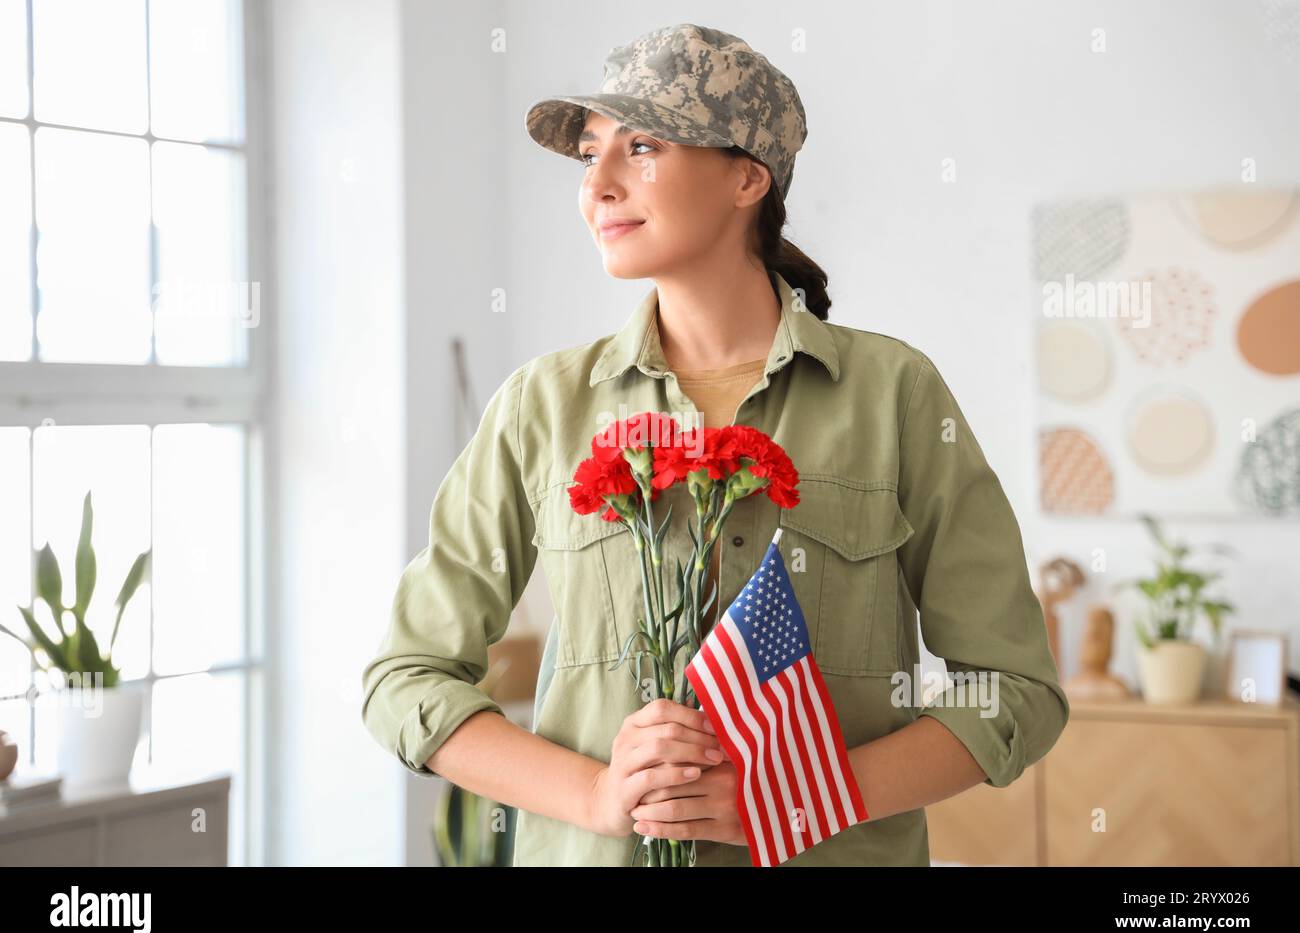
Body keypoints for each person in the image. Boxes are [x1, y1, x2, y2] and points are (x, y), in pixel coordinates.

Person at [361, 22, 1069, 866]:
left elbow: (1014, 690)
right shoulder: (537, 408)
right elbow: (406, 680)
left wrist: (798, 800)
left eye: (643, 145)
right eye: (591, 155)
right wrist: (594, 794)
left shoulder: (897, 395)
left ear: (747, 177)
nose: (600, 186)